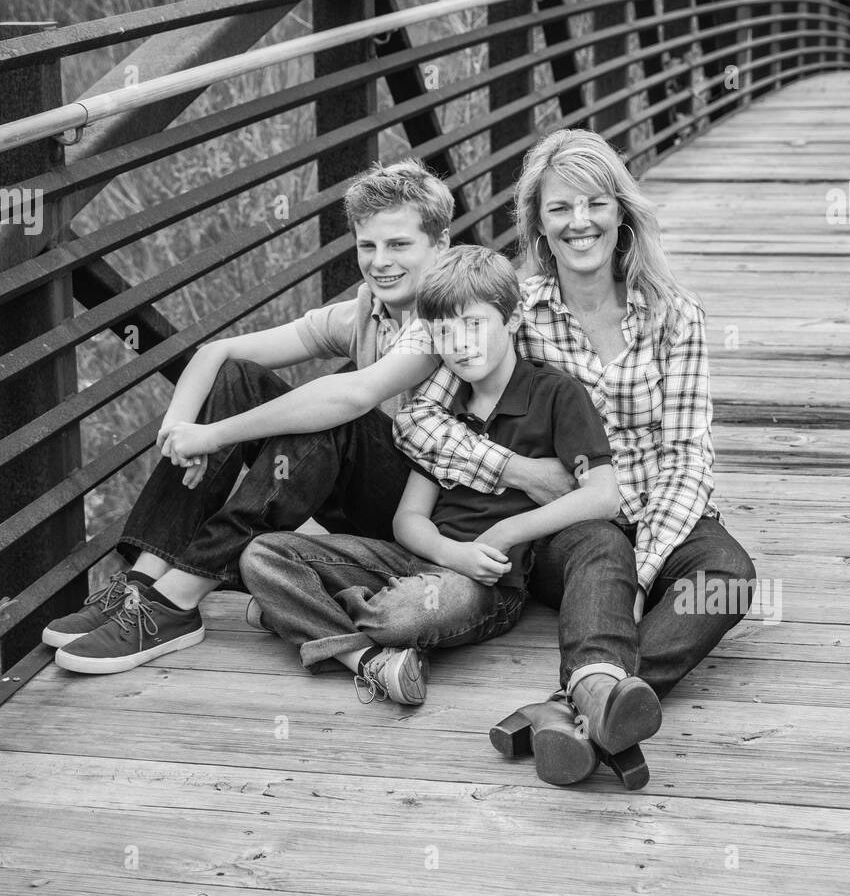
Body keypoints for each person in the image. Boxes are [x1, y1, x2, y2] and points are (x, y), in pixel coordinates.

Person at [392, 129, 757, 775]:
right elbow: (419, 418)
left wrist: (646, 571)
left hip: (665, 508)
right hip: (573, 527)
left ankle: (576, 705)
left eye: (594, 203)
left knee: (727, 581)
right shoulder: (513, 310)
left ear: (621, 212)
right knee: (600, 545)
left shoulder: (677, 316)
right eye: (559, 207)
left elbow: (687, 457)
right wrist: (513, 469)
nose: (579, 221)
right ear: (538, 223)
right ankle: (600, 702)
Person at [239, 246, 646, 787]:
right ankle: (359, 655)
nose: (461, 344)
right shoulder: (441, 413)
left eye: (475, 325)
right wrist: (446, 551)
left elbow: (603, 497)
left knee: (404, 617)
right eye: (445, 333)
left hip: (482, 584)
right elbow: (410, 519)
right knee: (264, 552)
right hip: (421, 558)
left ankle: (295, 612)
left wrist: (497, 536)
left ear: (513, 319)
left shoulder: (554, 395)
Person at [46, 158, 452, 674]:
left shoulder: (452, 312)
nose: (379, 262)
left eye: (399, 245)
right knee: (239, 377)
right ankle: (146, 582)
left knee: (332, 415)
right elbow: (219, 354)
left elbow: (352, 397)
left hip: (434, 520)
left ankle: (180, 598)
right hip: (374, 505)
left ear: (439, 246)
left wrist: (214, 435)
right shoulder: (367, 310)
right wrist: (178, 433)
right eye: (366, 246)